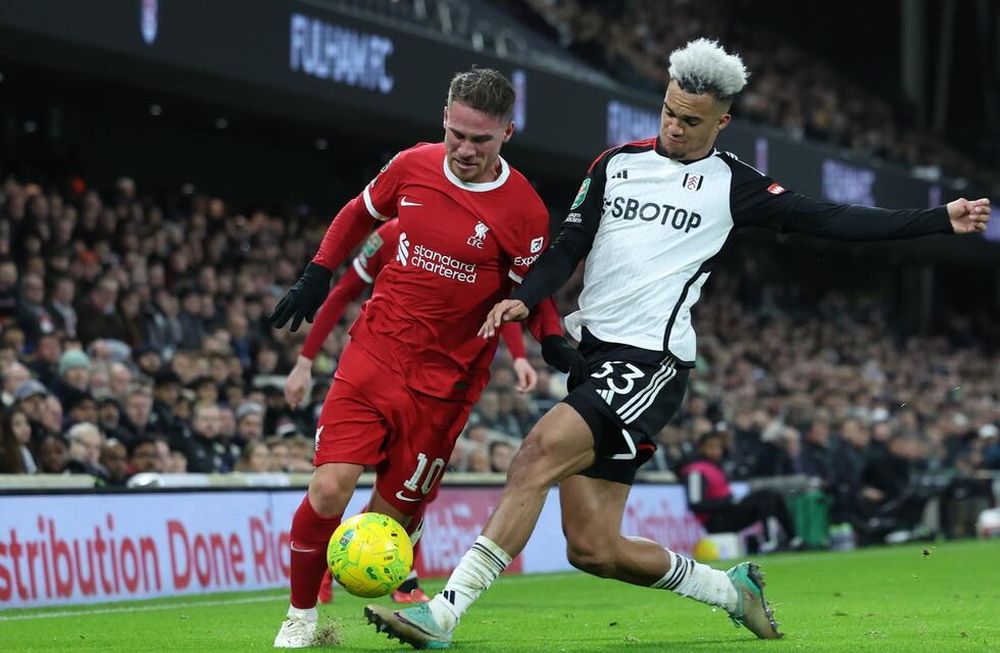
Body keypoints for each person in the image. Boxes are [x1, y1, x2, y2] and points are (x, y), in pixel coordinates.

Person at [366, 38, 991, 649]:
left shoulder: (732, 184)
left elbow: (830, 218)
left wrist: (938, 218)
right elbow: (567, 247)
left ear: (722, 121)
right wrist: (527, 299)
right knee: (593, 549)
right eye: (668, 111)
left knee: (535, 454)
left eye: (691, 120)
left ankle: (444, 614)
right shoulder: (614, 164)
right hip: (593, 357)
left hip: (652, 361)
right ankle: (730, 590)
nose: (675, 127)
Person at [268, 67, 570, 647]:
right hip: (375, 353)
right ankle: (301, 615)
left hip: (447, 386)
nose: (464, 149)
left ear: (508, 132)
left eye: (480, 139)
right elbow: (360, 211)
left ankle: (392, 569)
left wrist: (549, 339)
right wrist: (318, 269)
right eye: (456, 133)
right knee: (329, 489)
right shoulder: (414, 164)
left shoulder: (524, 211)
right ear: (445, 120)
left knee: (389, 524)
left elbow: (531, 291)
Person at [283, 216, 541, 606]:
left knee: (413, 495)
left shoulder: (484, 243)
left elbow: (500, 304)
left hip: (442, 387)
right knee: (333, 483)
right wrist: (305, 361)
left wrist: (520, 356)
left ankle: (403, 580)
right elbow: (342, 293)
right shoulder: (389, 234)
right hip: (378, 368)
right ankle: (324, 579)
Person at [679, 430, 799, 551]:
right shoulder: (695, 471)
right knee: (765, 498)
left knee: (773, 495)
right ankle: (770, 542)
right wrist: (726, 502)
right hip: (716, 520)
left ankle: (793, 540)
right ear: (701, 448)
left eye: (718, 447)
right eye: (711, 447)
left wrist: (728, 501)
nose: (716, 451)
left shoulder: (716, 466)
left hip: (727, 513)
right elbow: (695, 504)